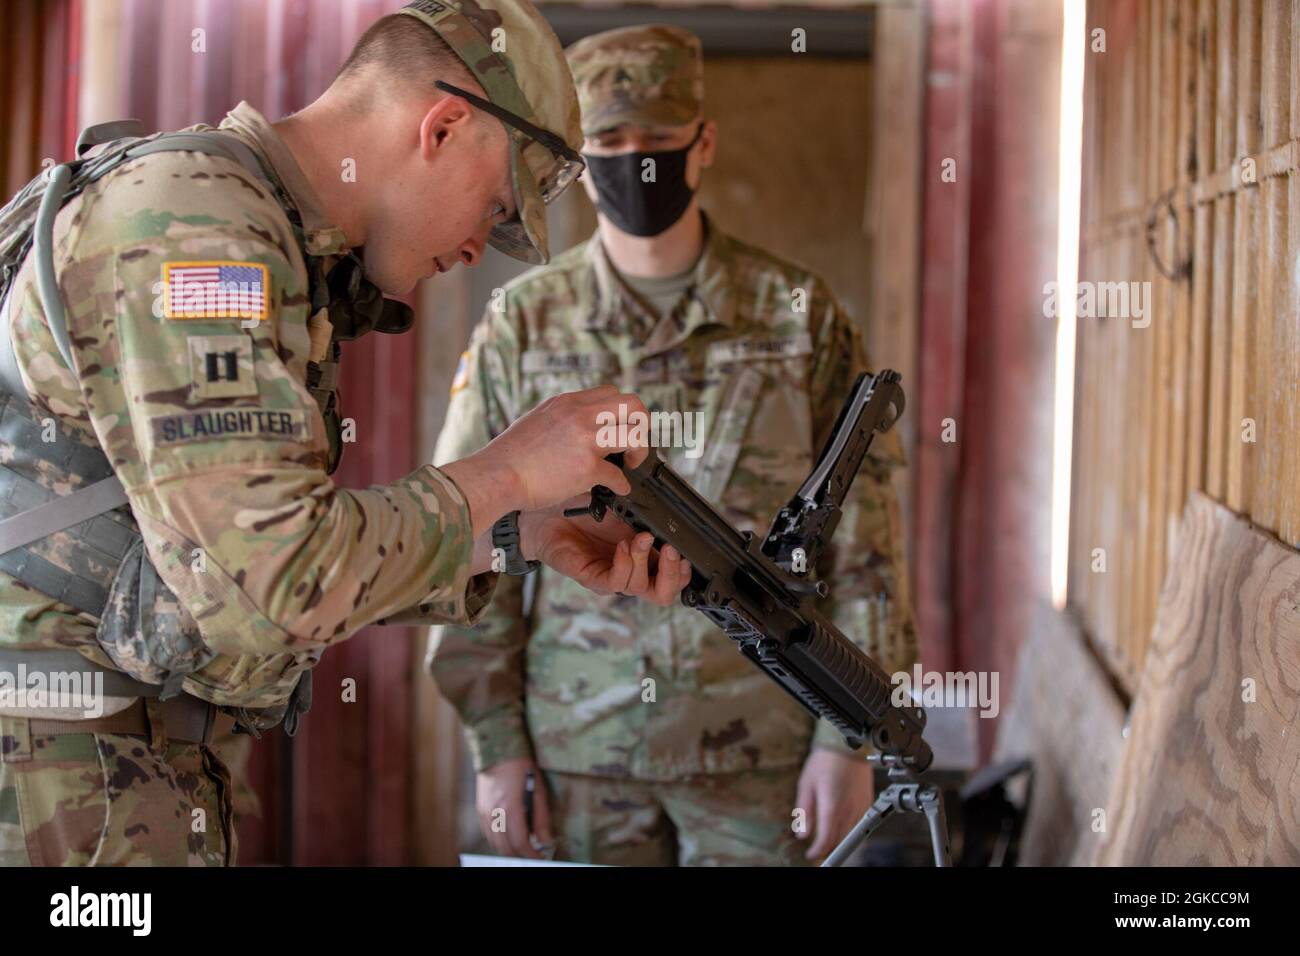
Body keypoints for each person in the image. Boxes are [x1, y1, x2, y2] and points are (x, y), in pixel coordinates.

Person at [0, 0, 689, 867]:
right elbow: (276, 584)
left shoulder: (259, 233)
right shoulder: (197, 230)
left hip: (116, 768)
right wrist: (506, 473)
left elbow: (251, 557)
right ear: (443, 126)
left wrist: (520, 535)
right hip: (56, 786)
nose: (482, 248)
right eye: (496, 206)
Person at [428, 24, 918, 866]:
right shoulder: (523, 323)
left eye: (657, 139)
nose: (636, 162)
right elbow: (483, 532)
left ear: (704, 143)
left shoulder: (796, 313)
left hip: (759, 754)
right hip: (579, 748)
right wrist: (496, 743)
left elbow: (865, 541)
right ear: (580, 156)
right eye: (611, 143)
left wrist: (849, 745)